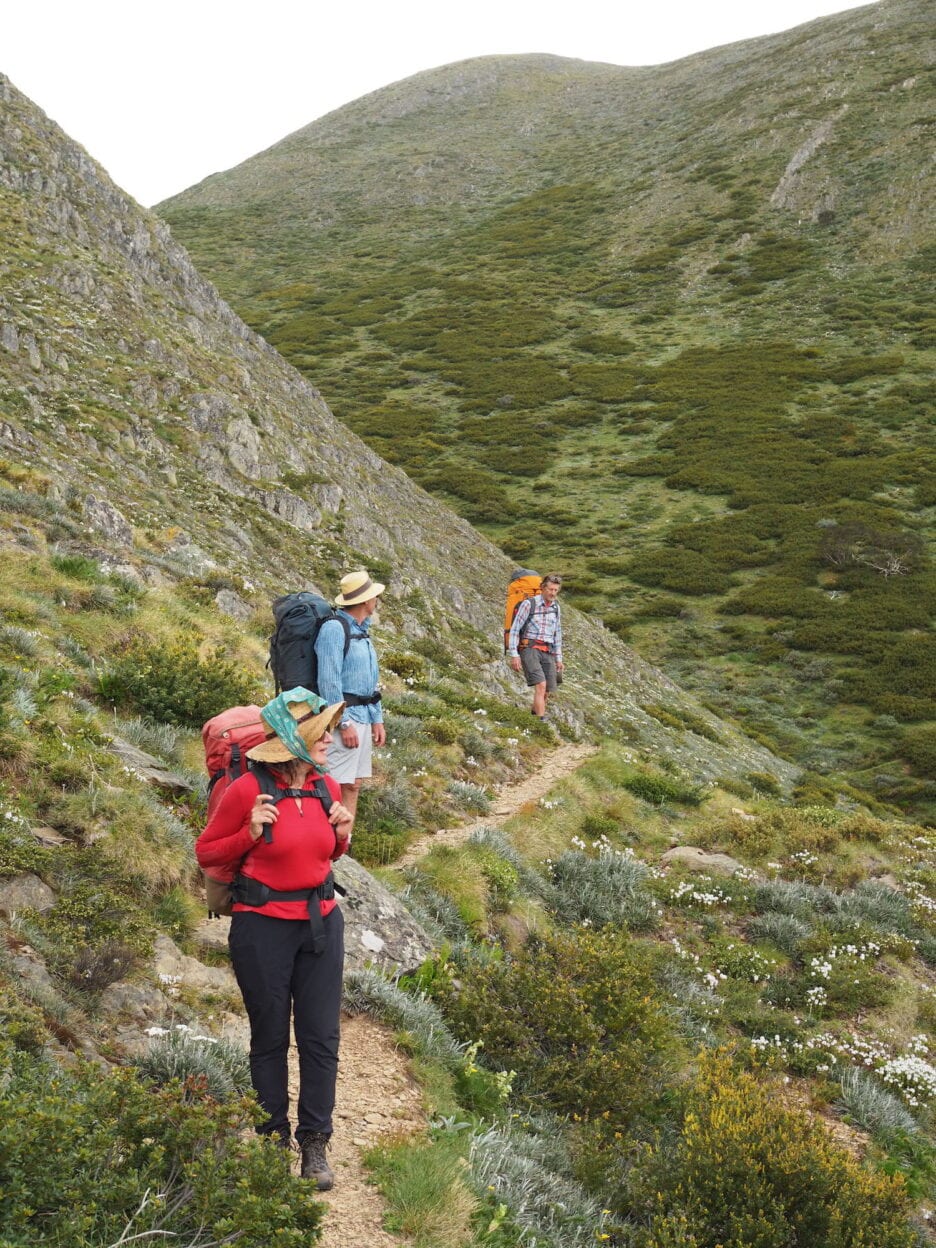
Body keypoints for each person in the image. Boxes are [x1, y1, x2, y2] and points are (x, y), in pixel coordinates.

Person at [195, 688, 353, 1189]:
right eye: (320, 732)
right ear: (293, 740)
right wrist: (250, 831)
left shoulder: (326, 785)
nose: (329, 739)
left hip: (321, 924)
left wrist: (343, 833)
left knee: (321, 1039)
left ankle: (314, 1146)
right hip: (261, 927)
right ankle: (270, 1140)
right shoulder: (247, 789)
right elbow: (207, 851)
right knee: (269, 1039)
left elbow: (327, 855)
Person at [314, 568, 386, 820]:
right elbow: (328, 680)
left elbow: (371, 682)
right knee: (333, 784)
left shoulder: (361, 631)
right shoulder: (334, 630)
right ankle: (326, 846)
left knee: (353, 783)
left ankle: (344, 843)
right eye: (374, 596)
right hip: (345, 719)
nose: (376, 601)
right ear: (366, 601)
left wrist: (377, 719)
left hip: (363, 717)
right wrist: (342, 723)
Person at [507, 573, 564, 719]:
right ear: (542, 588)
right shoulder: (529, 604)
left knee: (547, 691)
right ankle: (541, 723)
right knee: (541, 685)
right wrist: (514, 654)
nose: (553, 593)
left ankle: (533, 717)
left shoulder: (556, 608)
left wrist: (558, 658)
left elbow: (557, 633)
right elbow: (515, 629)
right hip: (529, 649)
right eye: (550, 589)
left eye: (555, 590)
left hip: (548, 651)